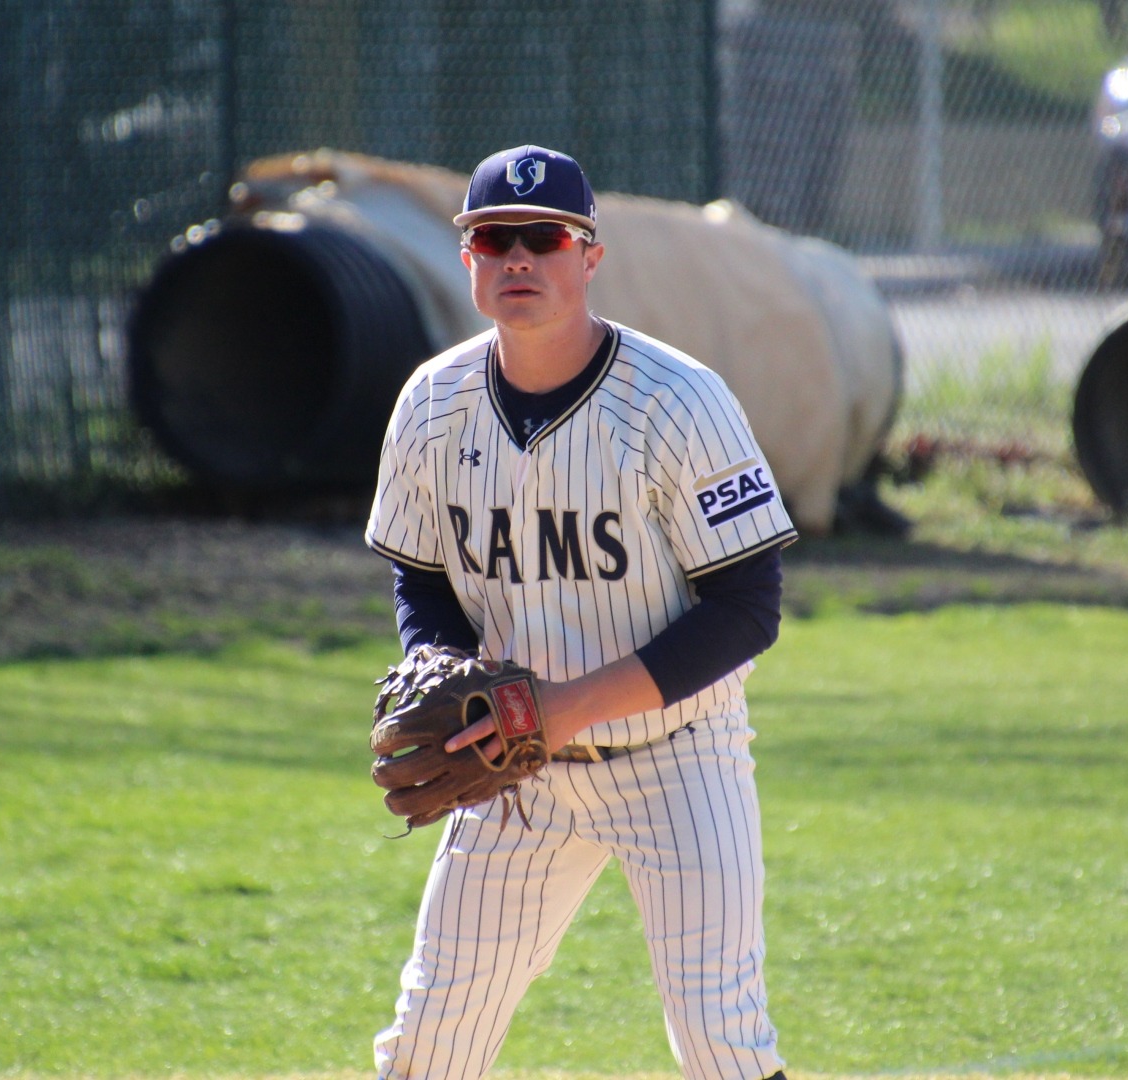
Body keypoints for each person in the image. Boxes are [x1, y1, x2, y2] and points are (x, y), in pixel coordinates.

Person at [364, 144, 796, 1080]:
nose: (520, 257)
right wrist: (440, 666)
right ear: (466, 255)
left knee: (723, 1037)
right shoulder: (431, 405)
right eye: (495, 237)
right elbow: (424, 579)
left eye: (545, 237)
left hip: (679, 760)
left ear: (589, 254)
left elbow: (747, 608)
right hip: (515, 769)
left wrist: (560, 708)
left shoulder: (680, 402)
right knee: (430, 1038)